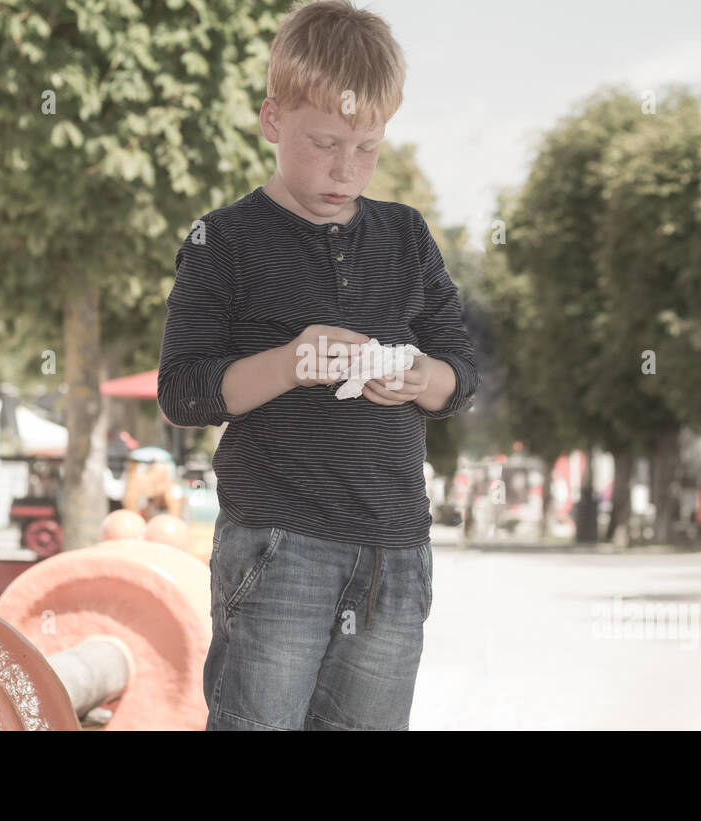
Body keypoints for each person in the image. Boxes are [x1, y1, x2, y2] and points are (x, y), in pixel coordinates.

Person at [157, 1, 479, 731]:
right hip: (278, 548)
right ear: (272, 119)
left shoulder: (406, 234)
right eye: (325, 143)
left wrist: (424, 378)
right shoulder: (223, 240)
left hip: (395, 554)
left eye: (366, 148)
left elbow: (461, 367)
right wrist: (292, 361)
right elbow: (182, 391)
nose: (345, 169)